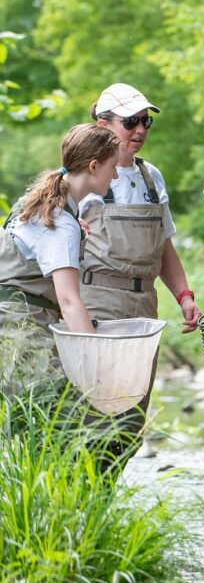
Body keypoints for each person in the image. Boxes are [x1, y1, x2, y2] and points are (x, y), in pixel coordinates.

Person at [79, 83, 201, 463]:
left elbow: (163, 247)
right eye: (130, 121)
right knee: (94, 420)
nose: (141, 130)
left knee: (130, 425)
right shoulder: (83, 175)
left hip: (144, 306)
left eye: (146, 121)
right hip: (95, 304)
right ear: (103, 124)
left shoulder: (153, 179)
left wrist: (184, 296)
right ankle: (79, 508)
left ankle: (101, 508)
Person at [1, 124, 119, 395]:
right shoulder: (61, 225)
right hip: (21, 330)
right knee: (52, 415)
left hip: (9, 323)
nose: (114, 174)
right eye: (112, 166)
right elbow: (68, 302)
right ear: (93, 166)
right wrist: (96, 360)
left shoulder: (42, 202)